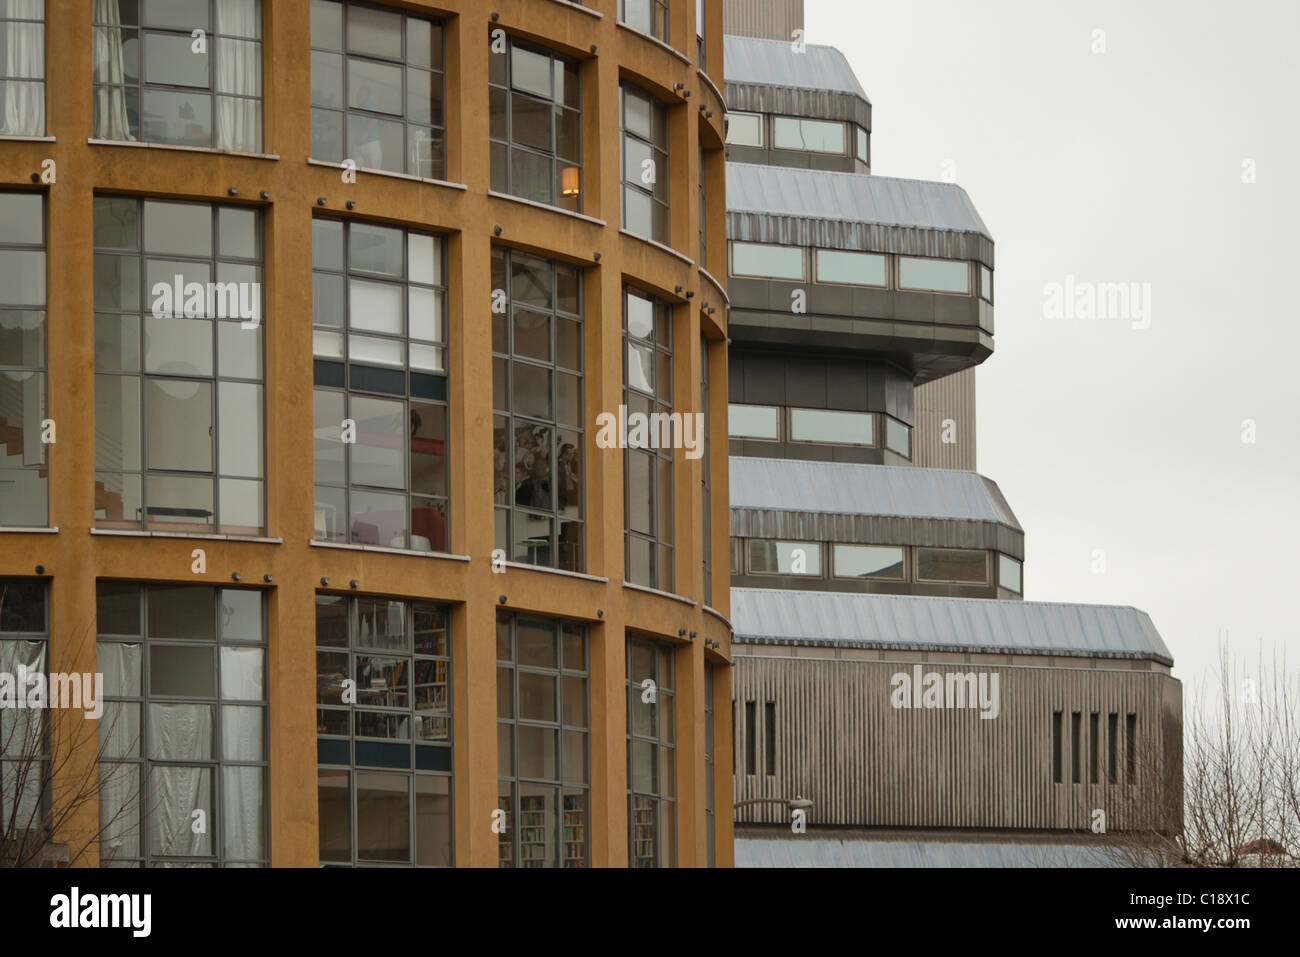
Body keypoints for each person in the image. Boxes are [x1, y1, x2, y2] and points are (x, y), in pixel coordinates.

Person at [350, 85, 383, 169]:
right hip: (359, 143)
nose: (359, 96)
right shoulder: (358, 108)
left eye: (362, 94)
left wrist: (365, 134)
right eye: (359, 94)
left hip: (370, 142)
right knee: (356, 169)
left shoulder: (369, 104)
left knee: (374, 170)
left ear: (367, 96)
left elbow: (374, 118)